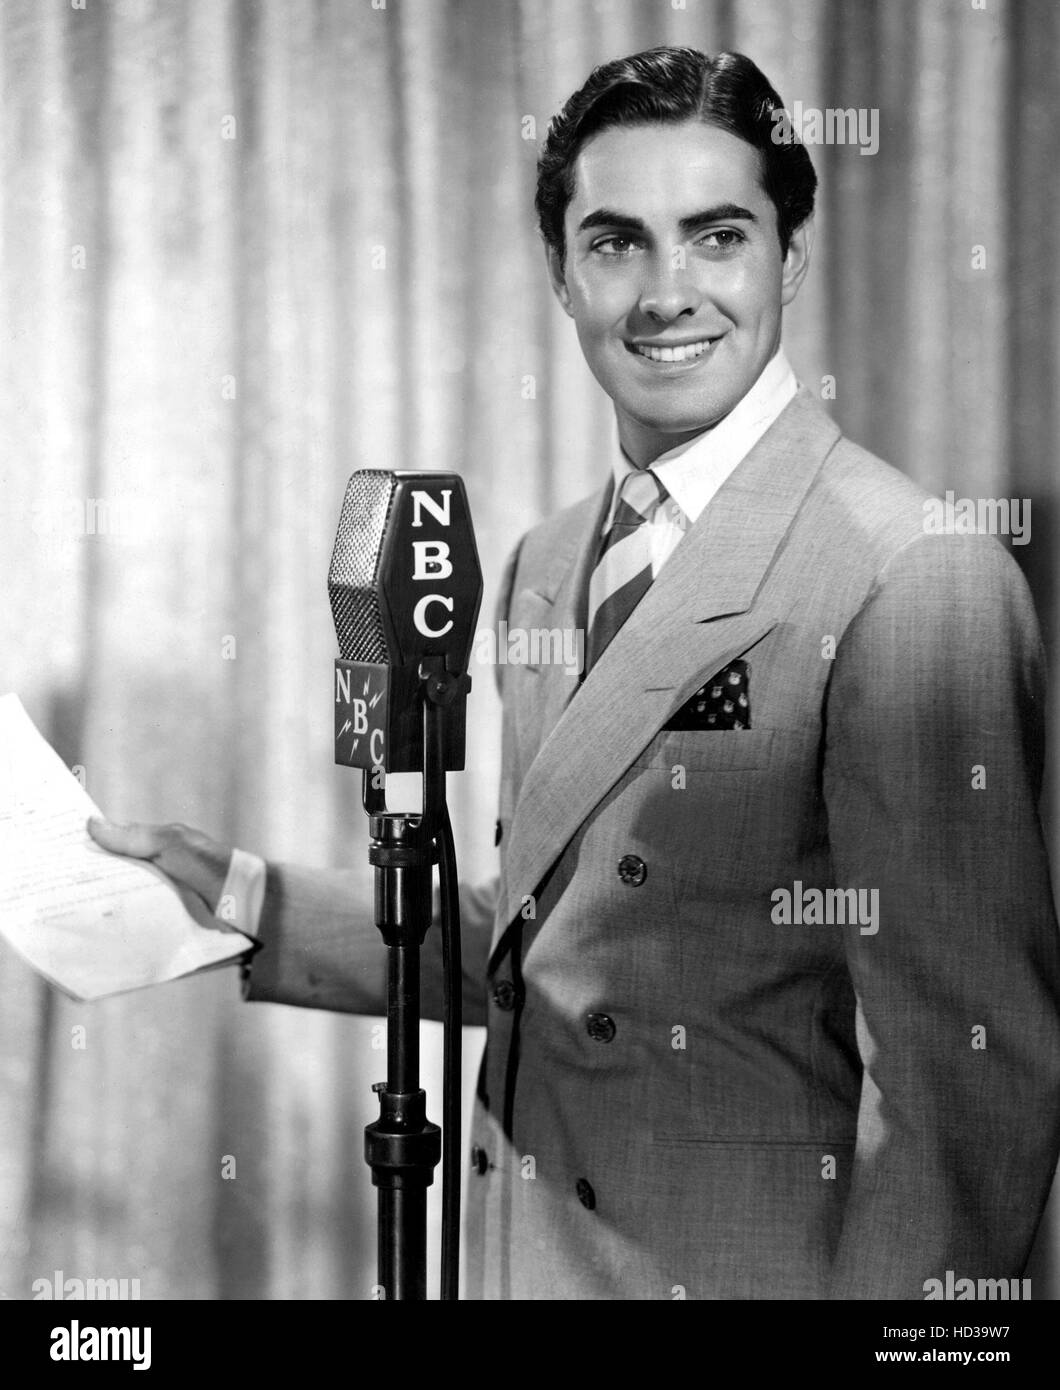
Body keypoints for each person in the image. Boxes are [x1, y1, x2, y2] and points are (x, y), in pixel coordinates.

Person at [88, 46, 1060, 1300]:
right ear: (560, 274)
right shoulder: (551, 562)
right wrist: (237, 896)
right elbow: (548, 942)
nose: (667, 293)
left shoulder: (911, 572)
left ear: (789, 261)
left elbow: (964, 1088)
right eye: (615, 244)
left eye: (716, 238)